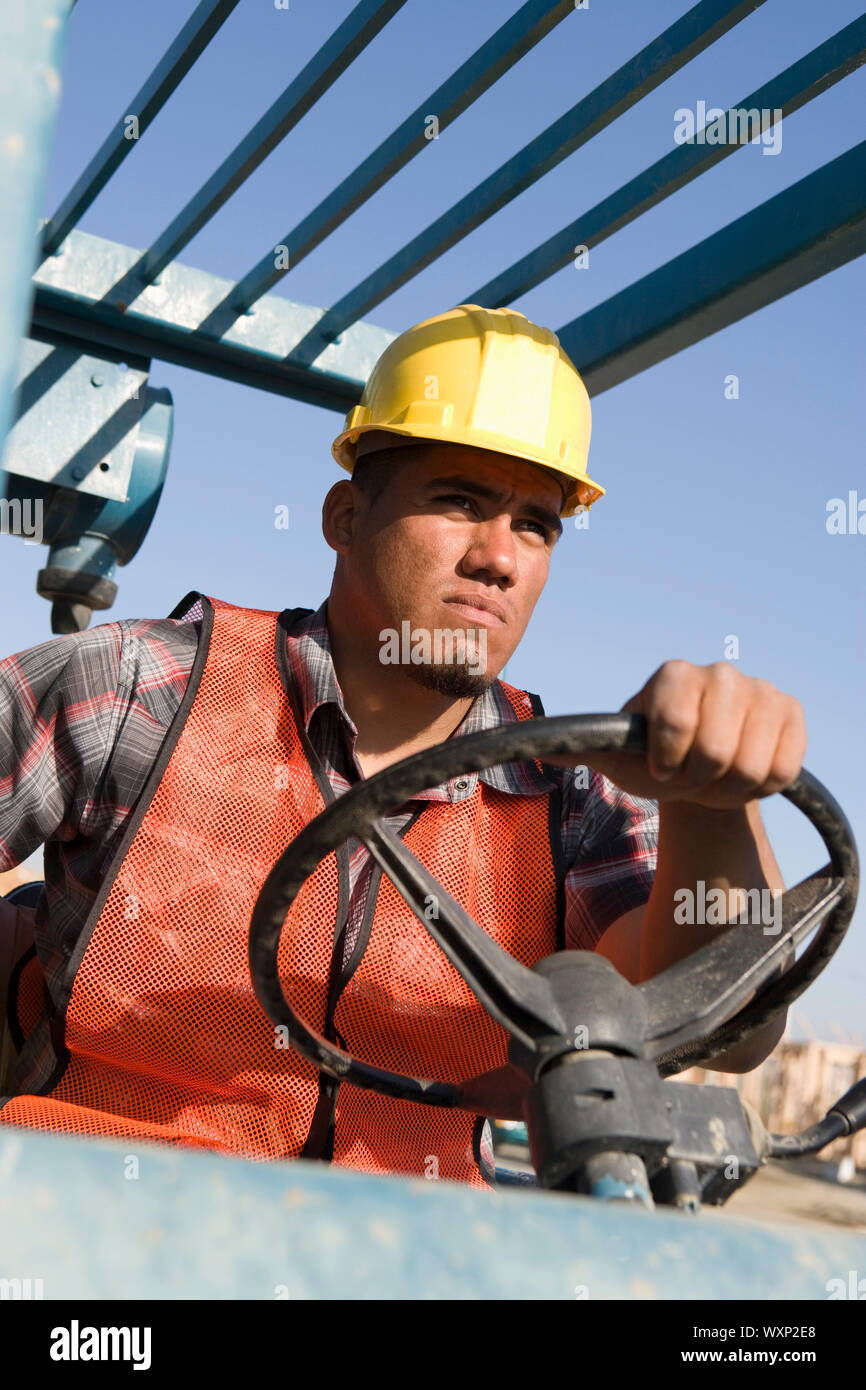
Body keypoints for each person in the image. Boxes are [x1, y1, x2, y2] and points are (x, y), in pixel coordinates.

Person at [0, 305, 802, 1187]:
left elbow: (728, 1031)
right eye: (459, 501)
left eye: (535, 524)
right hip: (90, 1233)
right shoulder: (132, 690)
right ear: (345, 515)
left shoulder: (569, 799)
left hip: (408, 1261)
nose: (500, 557)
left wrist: (715, 807)